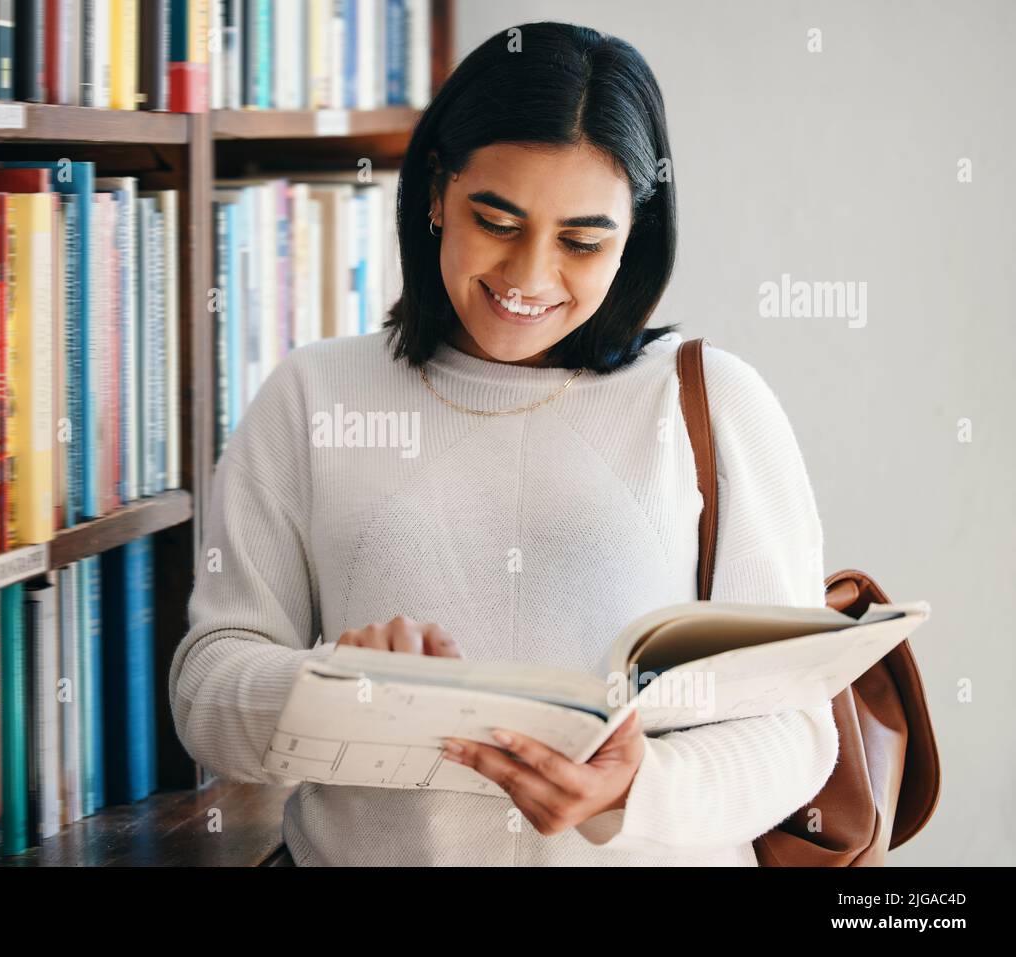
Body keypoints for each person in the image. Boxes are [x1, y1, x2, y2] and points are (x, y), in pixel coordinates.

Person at [169, 21, 838, 866]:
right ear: (438, 192)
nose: (529, 276)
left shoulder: (714, 403)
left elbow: (796, 729)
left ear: (634, 233)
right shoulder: (313, 395)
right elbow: (206, 691)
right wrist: (326, 687)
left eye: (583, 241)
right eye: (497, 219)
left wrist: (638, 788)